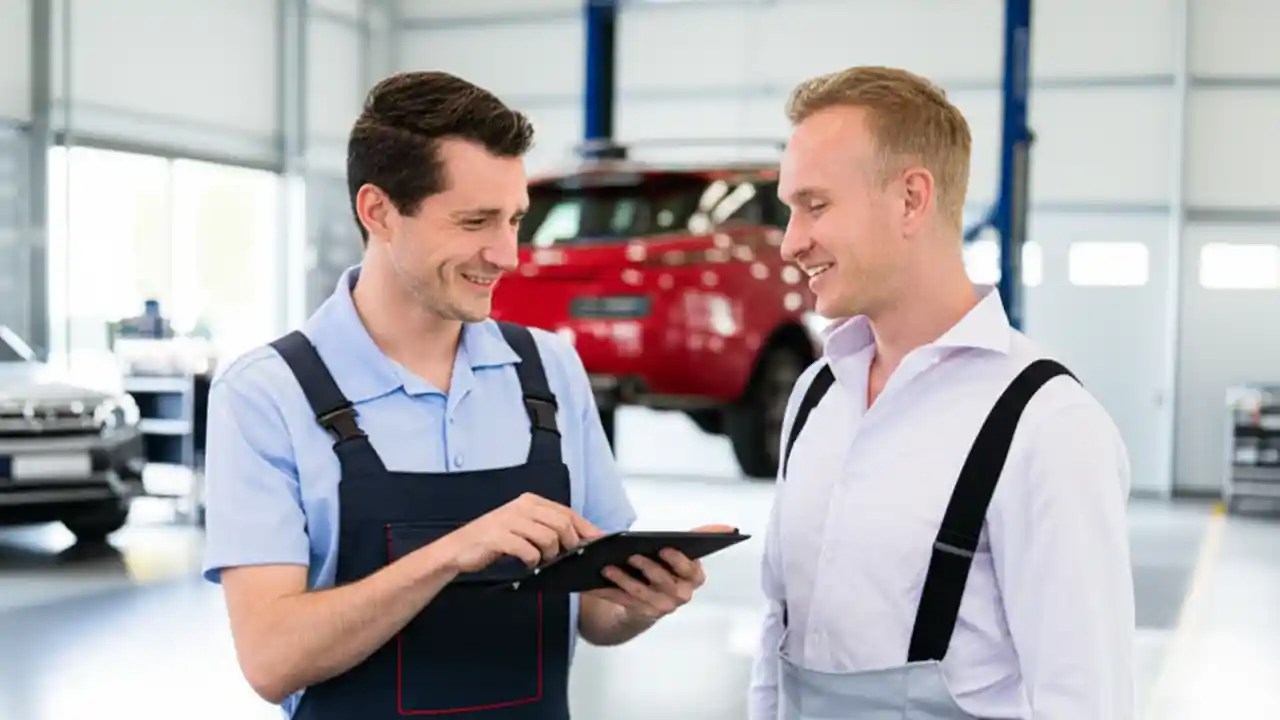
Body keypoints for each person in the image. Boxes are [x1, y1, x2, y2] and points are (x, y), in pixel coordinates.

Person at [201, 70, 727, 720]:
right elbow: (273, 658)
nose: (507, 253)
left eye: (514, 219)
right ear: (379, 212)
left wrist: (641, 601)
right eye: (475, 221)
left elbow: (596, 616)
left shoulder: (549, 371)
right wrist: (451, 553)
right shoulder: (265, 395)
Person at [748, 66, 1136, 719]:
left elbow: (1087, 699)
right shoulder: (817, 393)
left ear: (910, 199)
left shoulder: (1047, 425)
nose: (791, 242)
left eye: (815, 206)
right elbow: (774, 636)